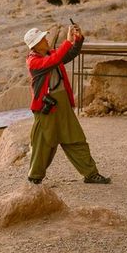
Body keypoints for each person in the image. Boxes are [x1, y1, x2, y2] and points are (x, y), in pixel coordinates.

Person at [24, 23, 110, 185]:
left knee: (75, 138)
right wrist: (67, 41)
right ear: (35, 45)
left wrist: (77, 39)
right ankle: (35, 176)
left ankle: (90, 174)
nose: (46, 40)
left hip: (61, 104)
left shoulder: (49, 54)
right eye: (42, 39)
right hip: (46, 108)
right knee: (43, 143)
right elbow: (56, 59)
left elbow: (69, 54)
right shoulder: (34, 62)